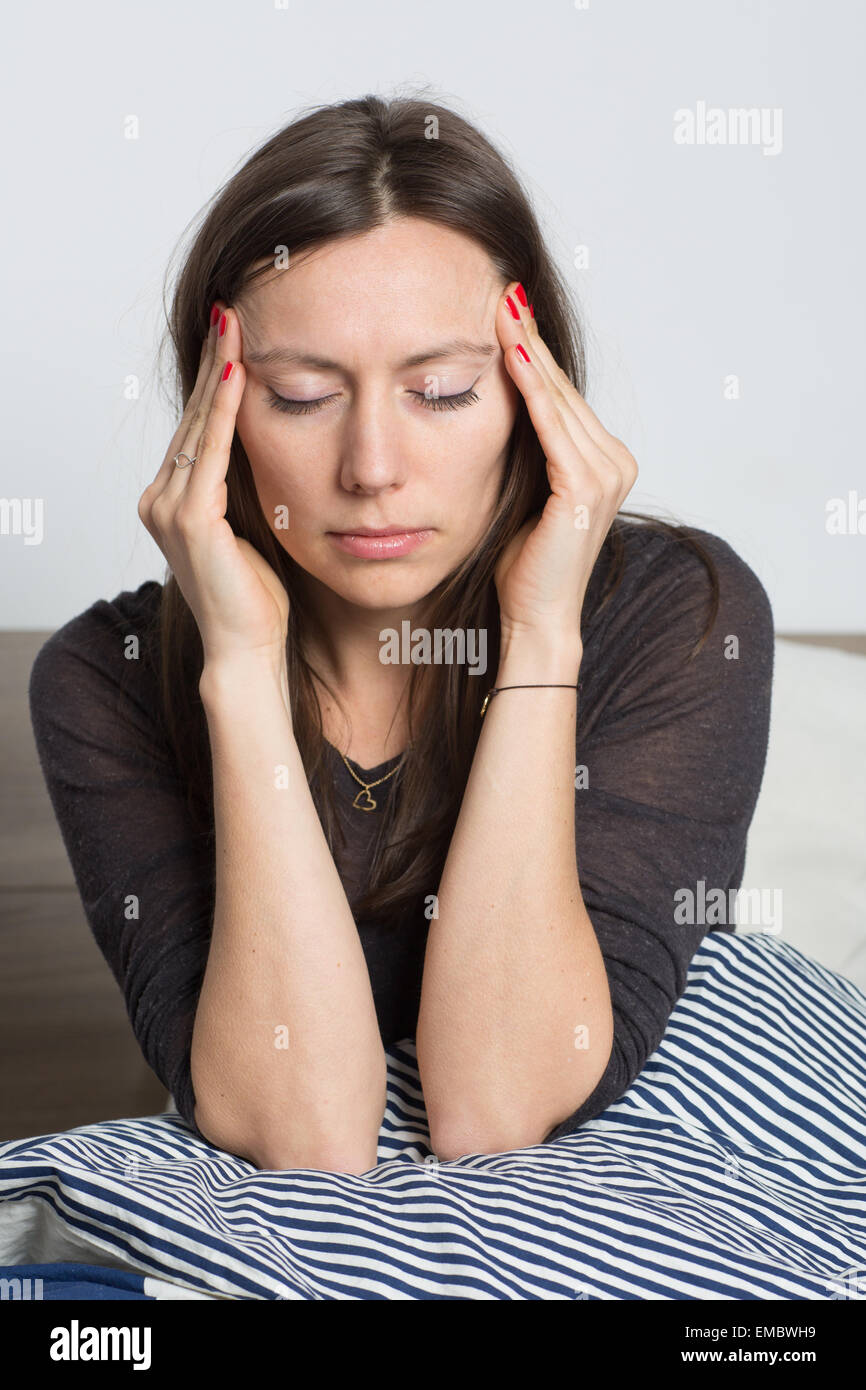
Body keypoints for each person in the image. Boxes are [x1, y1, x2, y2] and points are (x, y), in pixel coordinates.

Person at [28, 92, 774, 1175]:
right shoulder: (105, 678)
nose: (372, 468)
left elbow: (498, 1104)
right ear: (215, 413)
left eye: (440, 391)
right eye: (298, 396)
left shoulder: (681, 615)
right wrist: (237, 671)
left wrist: (539, 637)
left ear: (531, 391)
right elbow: (304, 1133)